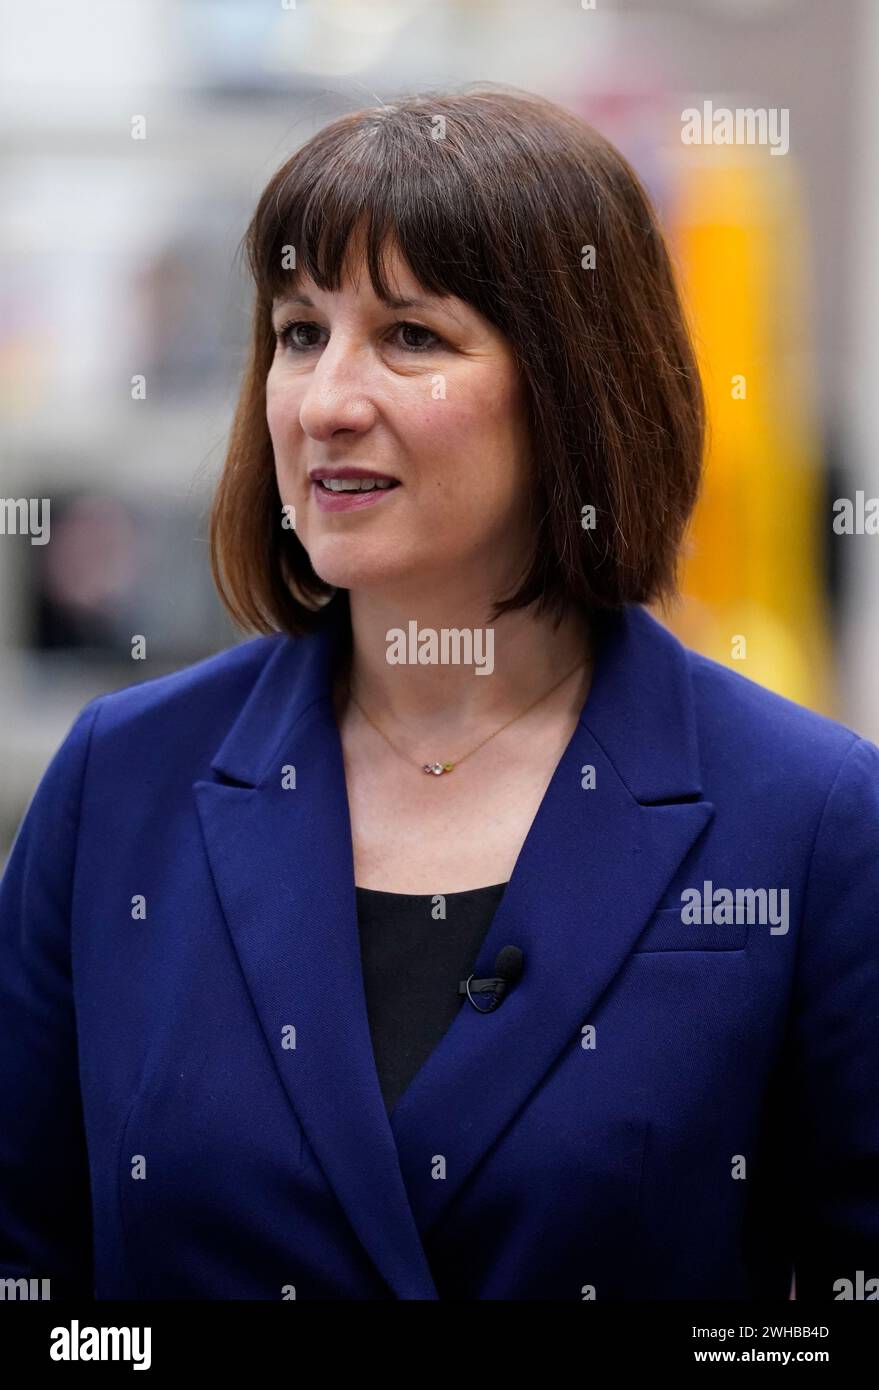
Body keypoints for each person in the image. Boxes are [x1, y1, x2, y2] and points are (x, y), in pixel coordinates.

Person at [1, 86, 877, 1301]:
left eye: (411, 335)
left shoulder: (807, 819)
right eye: (300, 332)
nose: (325, 402)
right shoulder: (122, 785)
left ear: (576, 389)